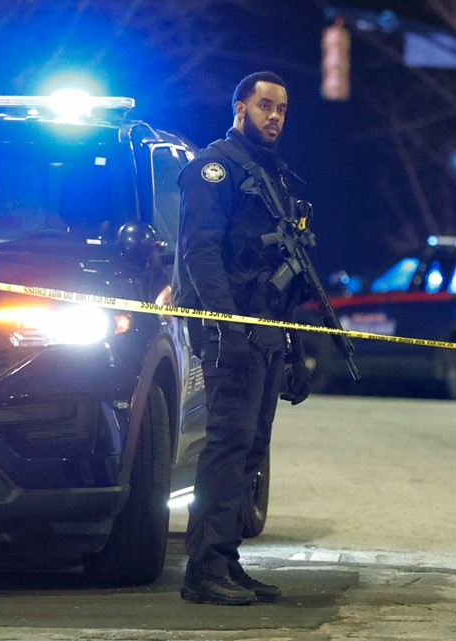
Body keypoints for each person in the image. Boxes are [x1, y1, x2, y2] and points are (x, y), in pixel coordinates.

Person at [171, 71, 312, 606]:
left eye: (281, 109)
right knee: (226, 448)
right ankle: (202, 571)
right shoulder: (214, 169)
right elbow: (201, 253)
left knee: (250, 450)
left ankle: (226, 559)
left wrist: (294, 348)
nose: (274, 116)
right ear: (239, 109)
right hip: (233, 330)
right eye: (264, 106)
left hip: (267, 330)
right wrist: (227, 325)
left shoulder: (271, 174)